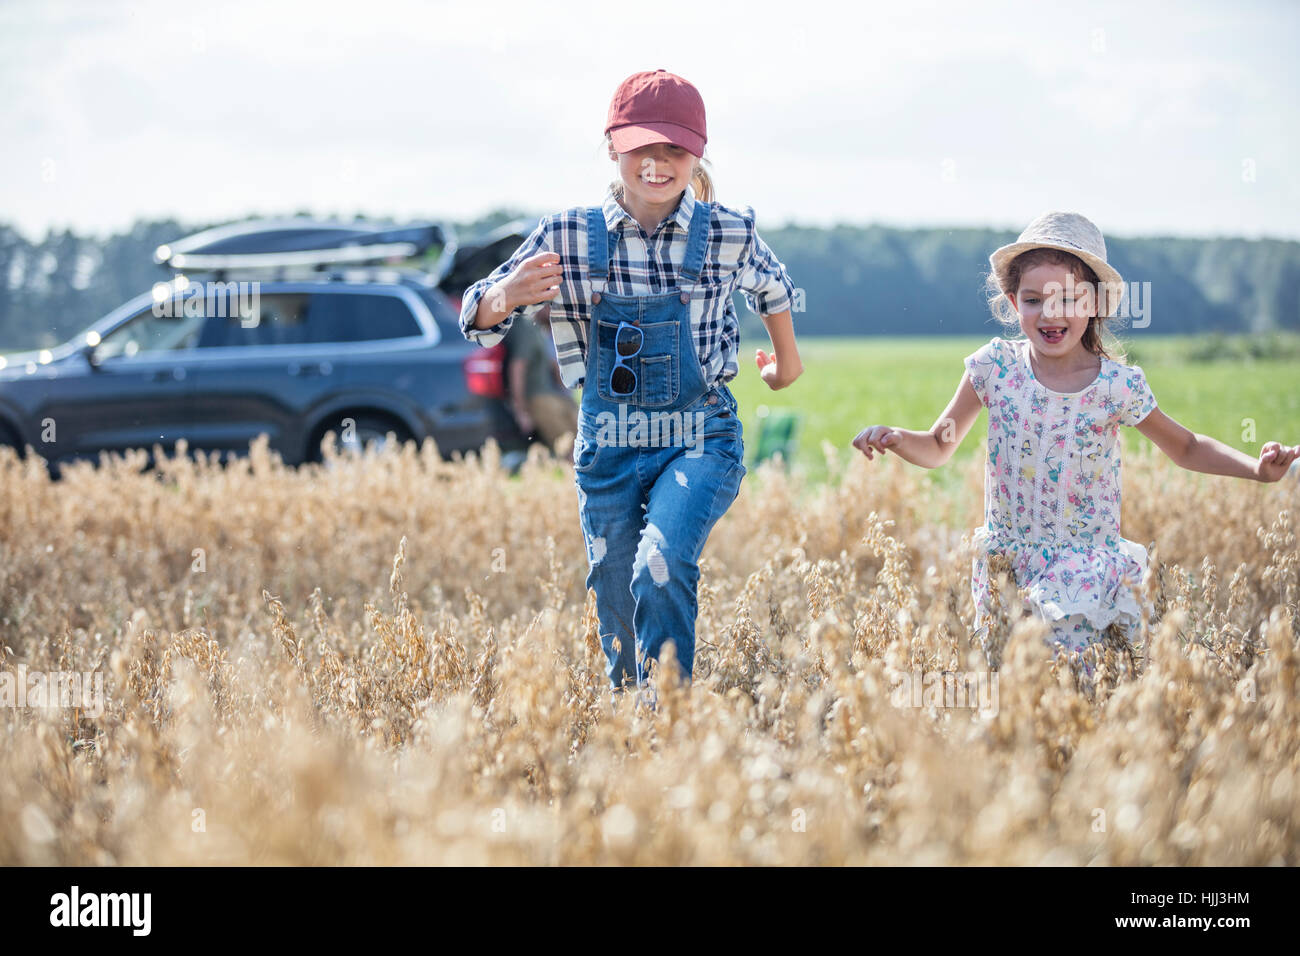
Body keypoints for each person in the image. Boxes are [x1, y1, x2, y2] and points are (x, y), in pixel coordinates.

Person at [460, 69, 803, 694]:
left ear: (697, 152)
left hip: (699, 437)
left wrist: (787, 364)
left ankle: (669, 712)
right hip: (608, 445)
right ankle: (631, 712)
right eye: (643, 146)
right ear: (614, 146)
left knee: (660, 565)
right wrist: (505, 296)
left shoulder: (727, 232)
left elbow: (775, 288)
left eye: (674, 148)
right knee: (615, 591)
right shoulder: (567, 234)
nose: (657, 162)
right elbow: (474, 318)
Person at [851, 211, 1297, 674]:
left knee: (1074, 688)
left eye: (1068, 298)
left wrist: (1258, 469)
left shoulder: (1116, 387)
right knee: (1017, 700)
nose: (1050, 313)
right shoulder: (994, 369)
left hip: (1083, 572)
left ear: (1095, 304)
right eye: (1032, 300)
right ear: (1011, 302)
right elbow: (939, 445)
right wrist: (899, 438)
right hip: (1007, 569)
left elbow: (1185, 447)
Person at [503, 304, 578, 454]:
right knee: (568, 448)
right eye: (550, 305)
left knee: (584, 440)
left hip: (556, 396)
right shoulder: (527, 328)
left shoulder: (540, 329)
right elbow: (517, 368)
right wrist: (520, 411)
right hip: (539, 399)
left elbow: (554, 366)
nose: (554, 310)